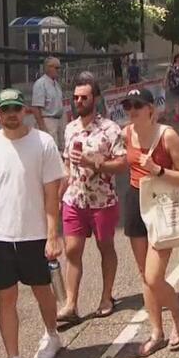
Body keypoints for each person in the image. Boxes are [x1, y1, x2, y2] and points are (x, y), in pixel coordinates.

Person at [0, 89, 65, 358]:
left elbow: (52, 193)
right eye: (6, 109)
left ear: (24, 110)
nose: (11, 114)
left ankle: (52, 334)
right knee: (6, 299)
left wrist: (53, 234)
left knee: (42, 291)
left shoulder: (43, 142)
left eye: (16, 108)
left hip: (35, 235)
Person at [120, 87, 179, 356]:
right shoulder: (127, 133)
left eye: (137, 105)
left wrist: (158, 170)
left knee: (154, 277)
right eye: (128, 106)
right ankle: (156, 332)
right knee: (144, 275)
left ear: (151, 109)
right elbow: (123, 162)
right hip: (135, 201)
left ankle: (178, 317)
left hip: (161, 204)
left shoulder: (168, 135)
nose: (132, 110)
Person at [57, 78, 127, 323]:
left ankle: (106, 297)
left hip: (102, 201)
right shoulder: (70, 128)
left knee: (105, 247)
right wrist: (59, 196)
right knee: (72, 251)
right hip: (74, 200)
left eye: (84, 97)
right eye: (76, 97)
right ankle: (70, 304)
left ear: (95, 99)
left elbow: (122, 164)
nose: (78, 101)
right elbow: (67, 164)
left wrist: (94, 163)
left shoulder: (110, 129)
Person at [30, 57, 65, 151]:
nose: (59, 70)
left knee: (60, 149)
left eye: (59, 68)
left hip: (59, 120)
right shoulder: (40, 84)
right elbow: (36, 108)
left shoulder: (56, 84)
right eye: (56, 68)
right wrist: (42, 127)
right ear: (48, 68)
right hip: (48, 121)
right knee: (50, 150)